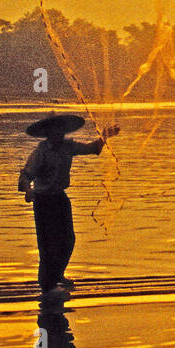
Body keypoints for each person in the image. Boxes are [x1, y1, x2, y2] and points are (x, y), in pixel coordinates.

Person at [18, 113, 119, 292]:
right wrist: (28, 190)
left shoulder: (68, 146)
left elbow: (92, 148)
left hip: (59, 197)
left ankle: (58, 274)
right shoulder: (41, 152)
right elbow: (25, 176)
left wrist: (104, 136)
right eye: (55, 129)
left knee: (68, 239)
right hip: (43, 200)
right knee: (47, 242)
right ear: (48, 132)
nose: (59, 132)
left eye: (61, 129)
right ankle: (46, 283)